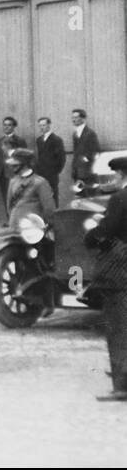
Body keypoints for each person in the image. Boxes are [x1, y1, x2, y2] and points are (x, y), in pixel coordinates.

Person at [85, 156, 127, 400]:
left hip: (120, 269)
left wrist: (91, 236)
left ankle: (122, 384)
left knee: (119, 326)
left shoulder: (120, 198)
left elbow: (107, 230)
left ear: (120, 175)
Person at [5, 149, 55, 230]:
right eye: (12, 165)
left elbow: (49, 209)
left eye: (15, 165)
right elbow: (9, 204)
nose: (12, 168)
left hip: (32, 227)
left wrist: (48, 224)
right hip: (14, 225)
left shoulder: (40, 182)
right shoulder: (13, 181)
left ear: (25, 164)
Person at [0, 117, 27, 219]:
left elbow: (24, 157)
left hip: (14, 174)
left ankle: (17, 219)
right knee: (6, 197)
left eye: (9, 125)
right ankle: (9, 219)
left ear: (13, 127)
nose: (6, 127)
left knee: (16, 197)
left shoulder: (19, 140)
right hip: (2, 173)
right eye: (4, 125)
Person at [34, 117, 67, 207]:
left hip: (52, 173)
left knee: (53, 195)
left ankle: (54, 216)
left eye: (43, 125)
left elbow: (62, 158)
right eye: (40, 126)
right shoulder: (39, 140)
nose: (41, 128)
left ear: (49, 125)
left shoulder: (56, 140)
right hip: (41, 173)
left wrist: (55, 171)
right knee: (42, 195)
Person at [71, 109, 100, 192]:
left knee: (88, 195)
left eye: (76, 117)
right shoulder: (75, 134)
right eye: (72, 117)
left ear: (83, 119)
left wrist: (86, 159)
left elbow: (96, 151)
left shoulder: (90, 133)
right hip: (77, 171)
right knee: (79, 194)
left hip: (87, 171)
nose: (73, 119)